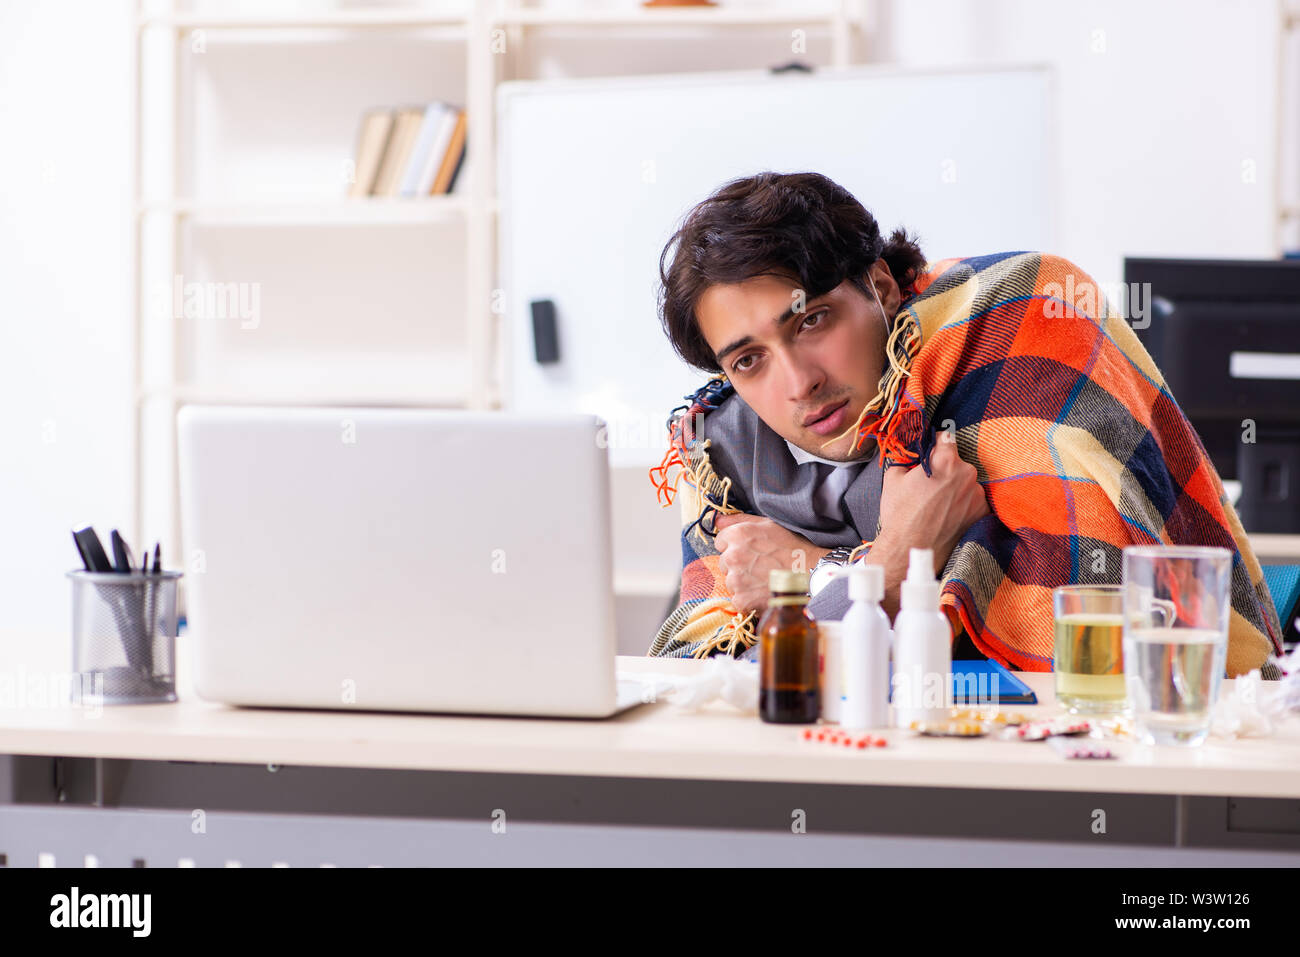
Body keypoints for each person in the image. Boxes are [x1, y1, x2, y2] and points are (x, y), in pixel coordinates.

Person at [647, 171, 1283, 678]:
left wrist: (826, 576)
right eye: (749, 360)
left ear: (882, 288)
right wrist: (890, 563)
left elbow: (1090, 643)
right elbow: (711, 685)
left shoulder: (1025, 318)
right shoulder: (722, 448)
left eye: (811, 321)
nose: (797, 383)